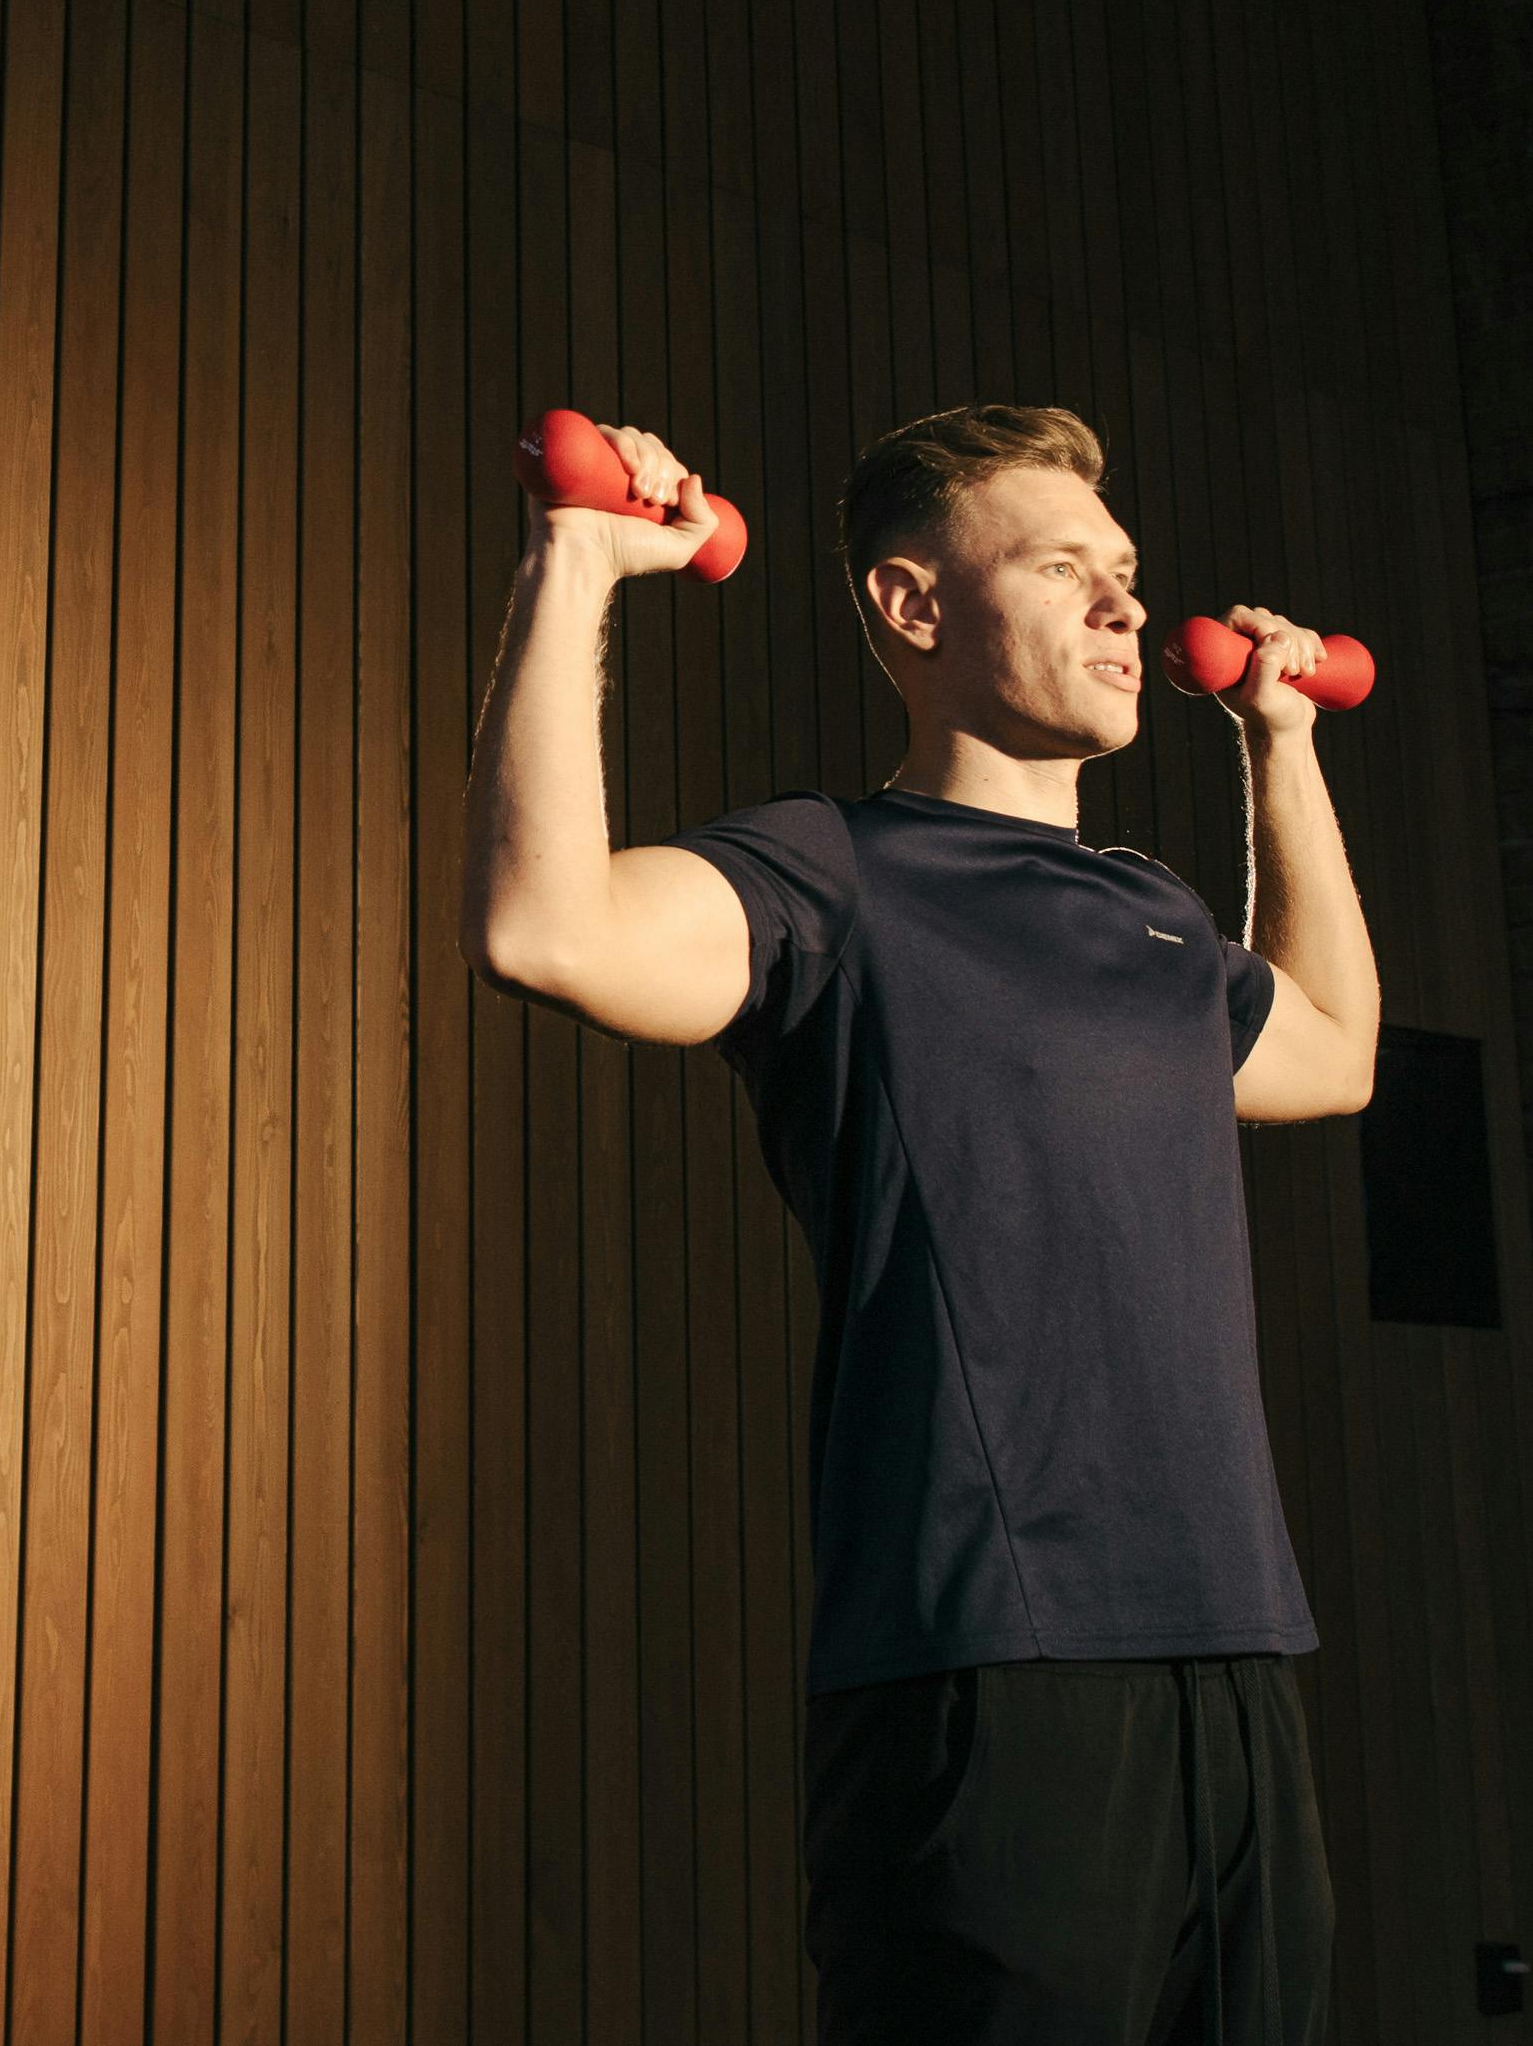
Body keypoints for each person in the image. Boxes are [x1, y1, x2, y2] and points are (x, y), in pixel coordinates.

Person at [463, 402, 1377, 2044]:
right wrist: (580, 559)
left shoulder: (1157, 914)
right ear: (912, 606)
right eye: (1062, 566)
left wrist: (1282, 743)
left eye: (1127, 574)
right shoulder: (835, 874)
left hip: (1237, 1652)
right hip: (990, 1670)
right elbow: (551, 925)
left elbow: (1335, 1050)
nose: (1119, 604)